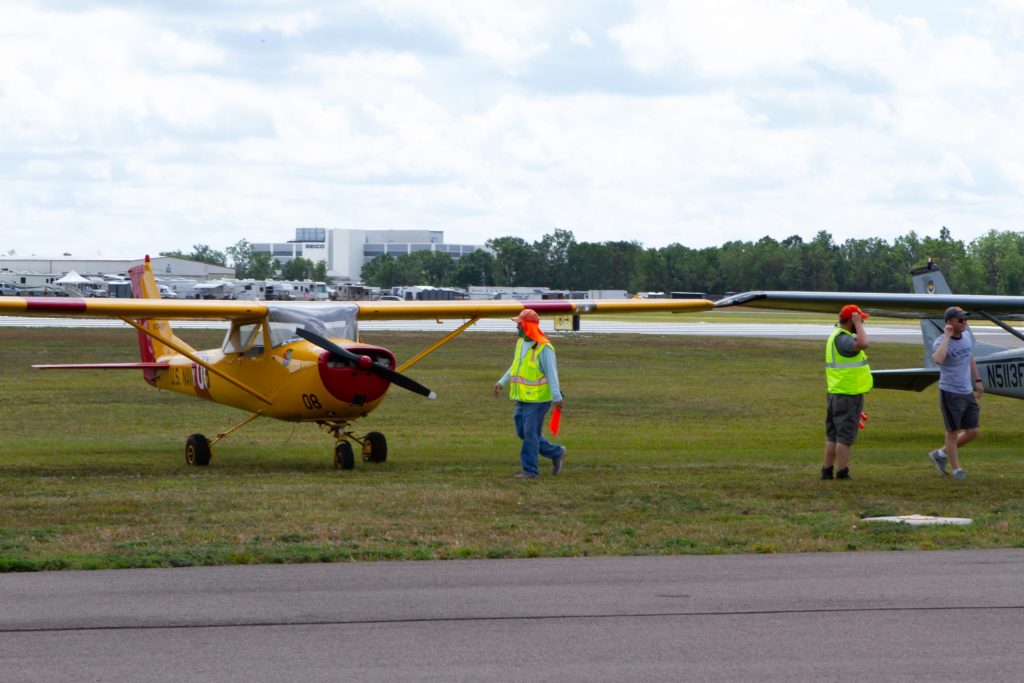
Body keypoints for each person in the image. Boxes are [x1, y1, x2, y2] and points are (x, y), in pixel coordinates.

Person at [493, 309, 566, 478]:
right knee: (523, 432)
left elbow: (551, 373)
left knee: (530, 435)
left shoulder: (545, 348)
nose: (517, 326)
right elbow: (515, 366)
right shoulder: (520, 343)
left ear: (527, 326)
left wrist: (557, 398)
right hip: (522, 397)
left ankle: (530, 470)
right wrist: (501, 382)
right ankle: (556, 452)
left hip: (539, 400)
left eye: (519, 323)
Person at [928, 306, 982, 480]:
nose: (964, 322)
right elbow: (938, 359)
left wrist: (978, 381)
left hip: (967, 390)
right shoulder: (940, 342)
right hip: (950, 391)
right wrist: (947, 336)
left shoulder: (966, 337)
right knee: (952, 432)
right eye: (960, 320)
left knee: (973, 430)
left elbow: (969, 358)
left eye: (965, 319)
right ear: (949, 322)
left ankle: (940, 454)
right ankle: (957, 469)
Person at [822, 304, 872, 480]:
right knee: (844, 436)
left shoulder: (835, 336)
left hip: (836, 392)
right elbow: (863, 343)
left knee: (833, 435)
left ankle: (826, 471)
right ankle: (842, 472)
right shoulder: (843, 339)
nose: (863, 322)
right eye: (860, 319)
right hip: (847, 394)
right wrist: (858, 325)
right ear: (852, 320)